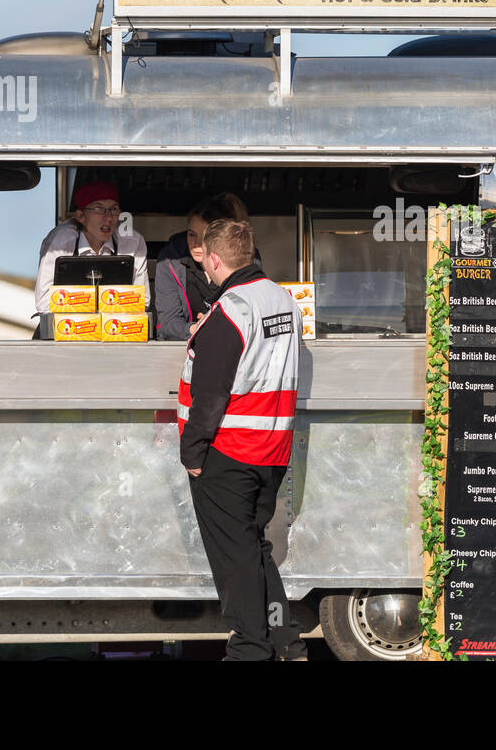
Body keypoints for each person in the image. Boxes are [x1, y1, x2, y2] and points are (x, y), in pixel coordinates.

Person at [178, 219, 306, 661]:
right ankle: (283, 640)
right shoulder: (283, 300)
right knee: (254, 547)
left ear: (214, 259)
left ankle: (249, 649)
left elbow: (210, 393)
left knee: (234, 557)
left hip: (228, 451)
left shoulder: (231, 309)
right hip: (272, 449)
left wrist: (192, 452)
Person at [34, 180, 148, 314]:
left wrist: (75, 300)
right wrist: (105, 303)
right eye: (99, 209)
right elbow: (44, 303)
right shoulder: (60, 241)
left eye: (114, 209)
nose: (108, 217)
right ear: (80, 216)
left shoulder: (132, 243)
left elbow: (142, 301)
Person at [153, 192, 249, 341]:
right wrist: (197, 328)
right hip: (181, 349)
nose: (197, 243)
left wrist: (217, 323)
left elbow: (249, 315)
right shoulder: (171, 258)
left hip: (229, 345)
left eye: (205, 236)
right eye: (191, 234)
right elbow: (167, 324)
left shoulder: (243, 257)